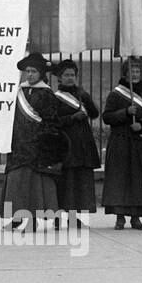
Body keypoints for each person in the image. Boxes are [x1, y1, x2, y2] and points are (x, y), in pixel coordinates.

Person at [1, 52, 63, 231]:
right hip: (18, 145)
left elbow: (51, 121)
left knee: (35, 185)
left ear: (41, 73)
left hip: (37, 146)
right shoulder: (18, 91)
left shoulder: (47, 94)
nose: (29, 74)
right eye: (27, 71)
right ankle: (16, 217)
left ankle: (34, 218)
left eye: (34, 71)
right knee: (17, 182)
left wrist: (41, 140)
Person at [101, 55, 142, 230]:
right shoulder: (116, 94)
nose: (135, 74)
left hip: (141, 142)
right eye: (131, 71)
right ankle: (120, 217)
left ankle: (136, 217)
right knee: (120, 180)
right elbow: (107, 117)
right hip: (121, 142)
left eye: (137, 71)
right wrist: (126, 112)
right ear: (125, 74)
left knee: (138, 180)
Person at [51, 59, 99, 229]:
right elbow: (53, 122)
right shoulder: (56, 98)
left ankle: (73, 216)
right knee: (64, 182)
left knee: (77, 182)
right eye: (66, 75)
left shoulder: (80, 95)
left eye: (72, 75)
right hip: (65, 145)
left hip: (82, 145)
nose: (70, 78)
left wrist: (86, 97)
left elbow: (94, 113)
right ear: (59, 78)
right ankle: (57, 217)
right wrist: (72, 118)